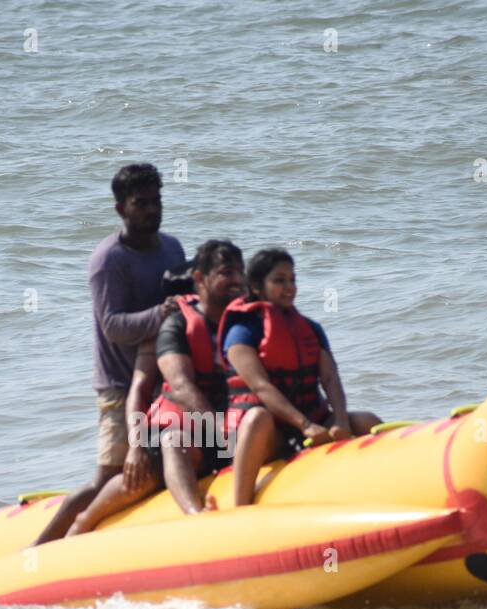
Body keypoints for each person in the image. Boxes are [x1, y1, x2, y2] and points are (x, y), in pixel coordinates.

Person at [32, 163, 185, 545]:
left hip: (164, 381)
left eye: (157, 201)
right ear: (121, 209)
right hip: (119, 384)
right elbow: (113, 326)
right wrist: (161, 313)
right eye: (141, 203)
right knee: (109, 477)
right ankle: (39, 548)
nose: (152, 209)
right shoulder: (108, 260)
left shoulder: (172, 248)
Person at [67, 240, 245, 533]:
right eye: (228, 273)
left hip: (216, 431)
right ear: (200, 282)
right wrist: (136, 446)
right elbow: (148, 388)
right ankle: (84, 524)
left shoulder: (244, 321)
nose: (237, 280)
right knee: (160, 454)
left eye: (240, 272)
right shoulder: (172, 328)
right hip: (181, 432)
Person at [219, 247, 382, 506]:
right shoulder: (241, 331)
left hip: (313, 420)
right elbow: (261, 387)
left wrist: (340, 420)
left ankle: (384, 487)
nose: (289, 287)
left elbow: (330, 379)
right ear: (257, 286)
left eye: (293, 280)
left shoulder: (310, 328)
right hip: (267, 433)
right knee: (258, 418)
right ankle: (240, 504)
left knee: (367, 421)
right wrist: (304, 425)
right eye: (279, 280)